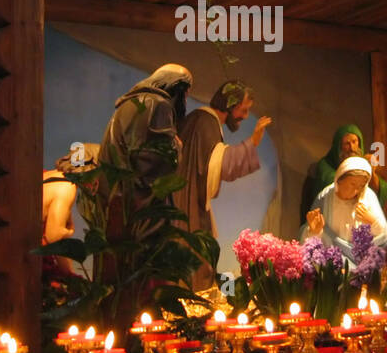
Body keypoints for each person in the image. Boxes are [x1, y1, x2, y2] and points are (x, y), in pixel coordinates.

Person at [174, 81, 272, 288]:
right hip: (187, 205)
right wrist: (253, 142)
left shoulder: (203, 121)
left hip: (189, 201)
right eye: (243, 110)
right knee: (195, 262)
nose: (245, 116)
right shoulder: (204, 121)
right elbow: (220, 165)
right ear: (230, 104)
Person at [99, 64, 192, 239]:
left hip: (118, 204)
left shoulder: (128, 104)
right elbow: (159, 161)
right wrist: (177, 146)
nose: (185, 101)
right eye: (186, 93)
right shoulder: (159, 105)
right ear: (178, 88)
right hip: (142, 214)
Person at [301, 156, 387, 257]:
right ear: (339, 180)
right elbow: (310, 236)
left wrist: (373, 222)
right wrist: (314, 232)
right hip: (330, 259)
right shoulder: (325, 197)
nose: (356, 190)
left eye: (361, 186)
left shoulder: (368, 198)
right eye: (352, 184)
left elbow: (385, 236)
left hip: (360, 260)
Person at [300, 124, 387, 225]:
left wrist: (371, 171)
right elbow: (335, 184)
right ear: (339, 146)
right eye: (347, 143)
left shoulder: (363, 162)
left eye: (354, 142)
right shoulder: (325, 165)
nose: (352, 148)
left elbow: (382, 188)